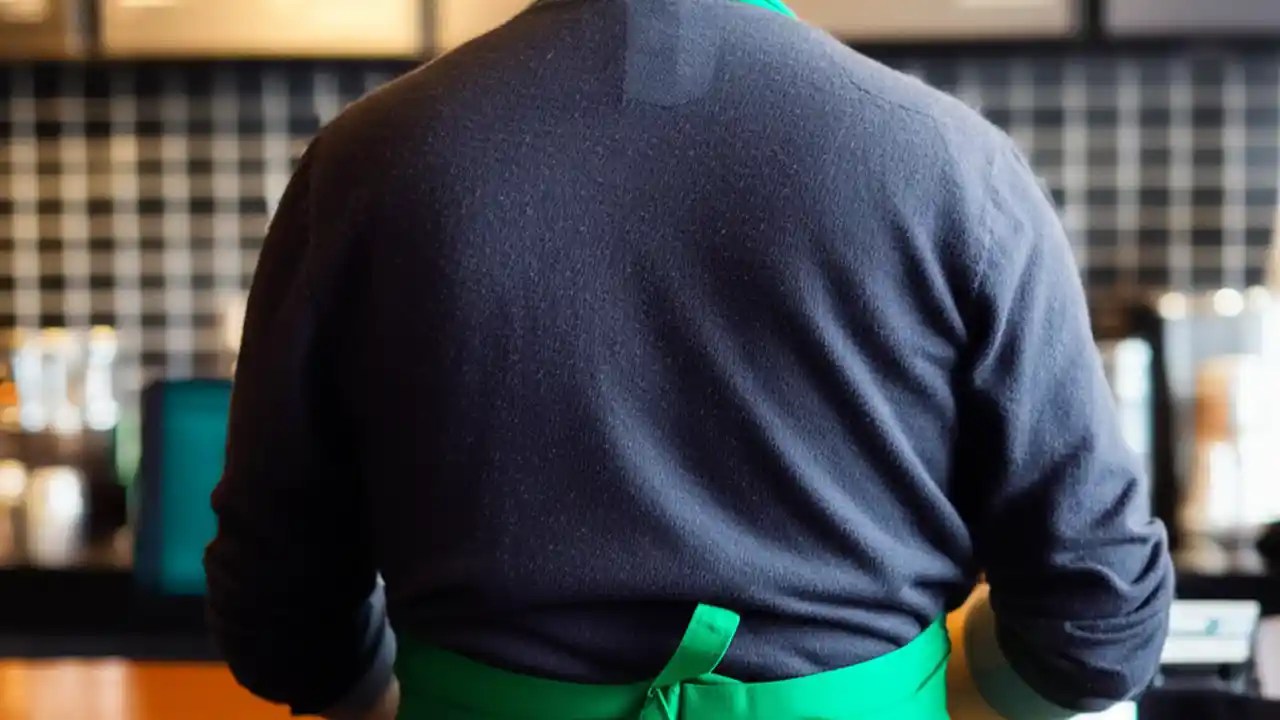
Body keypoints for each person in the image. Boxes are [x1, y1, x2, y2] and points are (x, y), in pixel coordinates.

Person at [203, 1, 1173, 718]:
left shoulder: (364, 165)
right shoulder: (955, 167)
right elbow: (1098, 619)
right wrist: (921, 687)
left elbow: (278, 609)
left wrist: (404, 694)